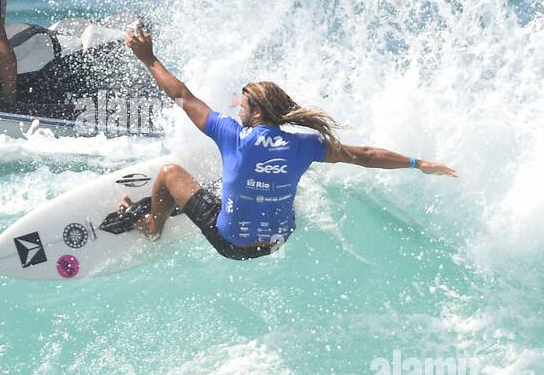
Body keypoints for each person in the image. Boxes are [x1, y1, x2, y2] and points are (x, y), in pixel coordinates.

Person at [119, 26, 458, 260]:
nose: (238, 104)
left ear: (256, 113)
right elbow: (365, 155)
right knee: (295, 173)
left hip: (232, 244)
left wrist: (148, 58)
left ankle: (153, 226)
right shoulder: (305, 144)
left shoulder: (232, 135)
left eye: (244, 102)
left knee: (168, 172)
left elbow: (182, 95)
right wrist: (418, 164)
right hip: (274, 244)